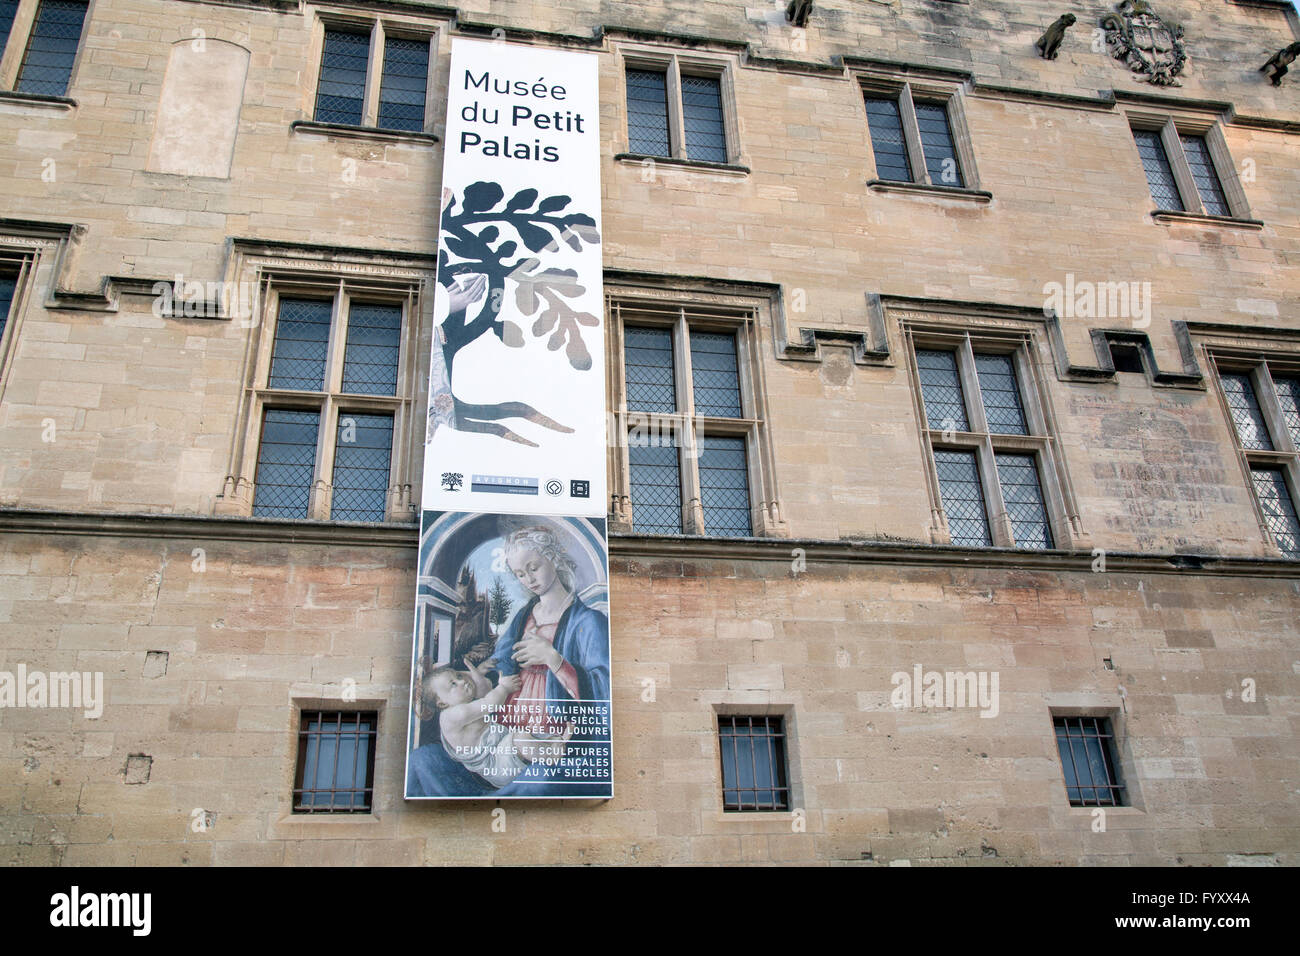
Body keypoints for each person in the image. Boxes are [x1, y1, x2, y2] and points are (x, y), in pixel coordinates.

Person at [492, 525, 610, 742]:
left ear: (553, 559)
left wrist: (552, 658)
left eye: (533, 568)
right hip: (516, 708)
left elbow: (603, 686)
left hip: (555, 718)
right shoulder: (524, 615)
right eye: (520, 574)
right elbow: (502, 655)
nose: (528, 579)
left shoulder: (589, 621)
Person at [418, 655, 573, 788]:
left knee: (525, 734)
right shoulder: (453, 715)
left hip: (501, 748)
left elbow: (482, 687)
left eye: (458, 676)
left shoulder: (459, 704)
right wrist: (504, 687)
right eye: (453, 684)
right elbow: (490, 703)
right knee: (521, 739)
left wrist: (478, 671)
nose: (462, 681)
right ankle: (553, 755)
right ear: (442, 703)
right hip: (496, 765)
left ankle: (554, 742)